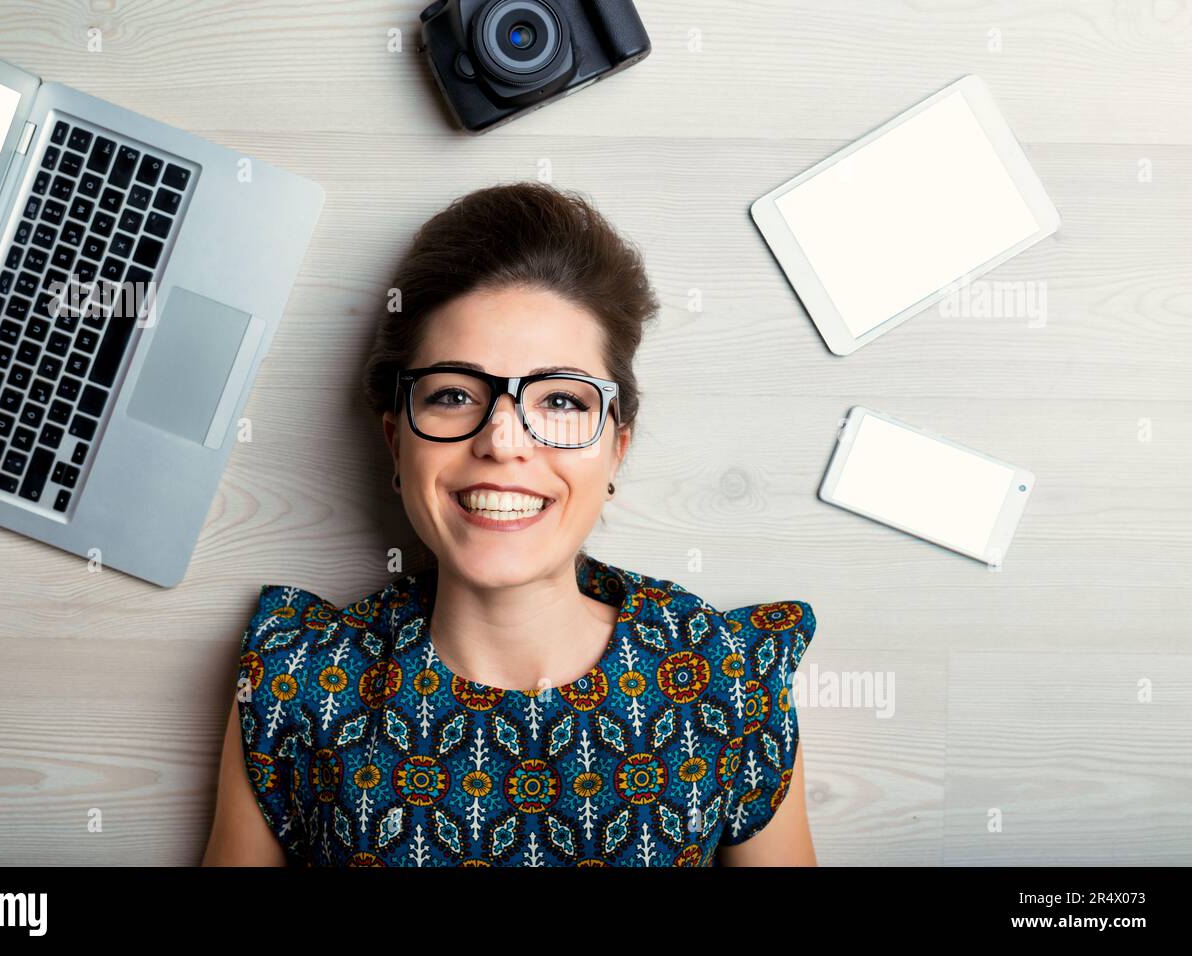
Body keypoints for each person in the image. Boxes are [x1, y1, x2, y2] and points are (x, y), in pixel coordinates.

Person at [202, 181, 817, 866]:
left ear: (617, 446)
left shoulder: (721, 676)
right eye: (454, 394)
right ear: (395, 441)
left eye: (558, 398)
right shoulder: (297, 684)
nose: (503, 441)